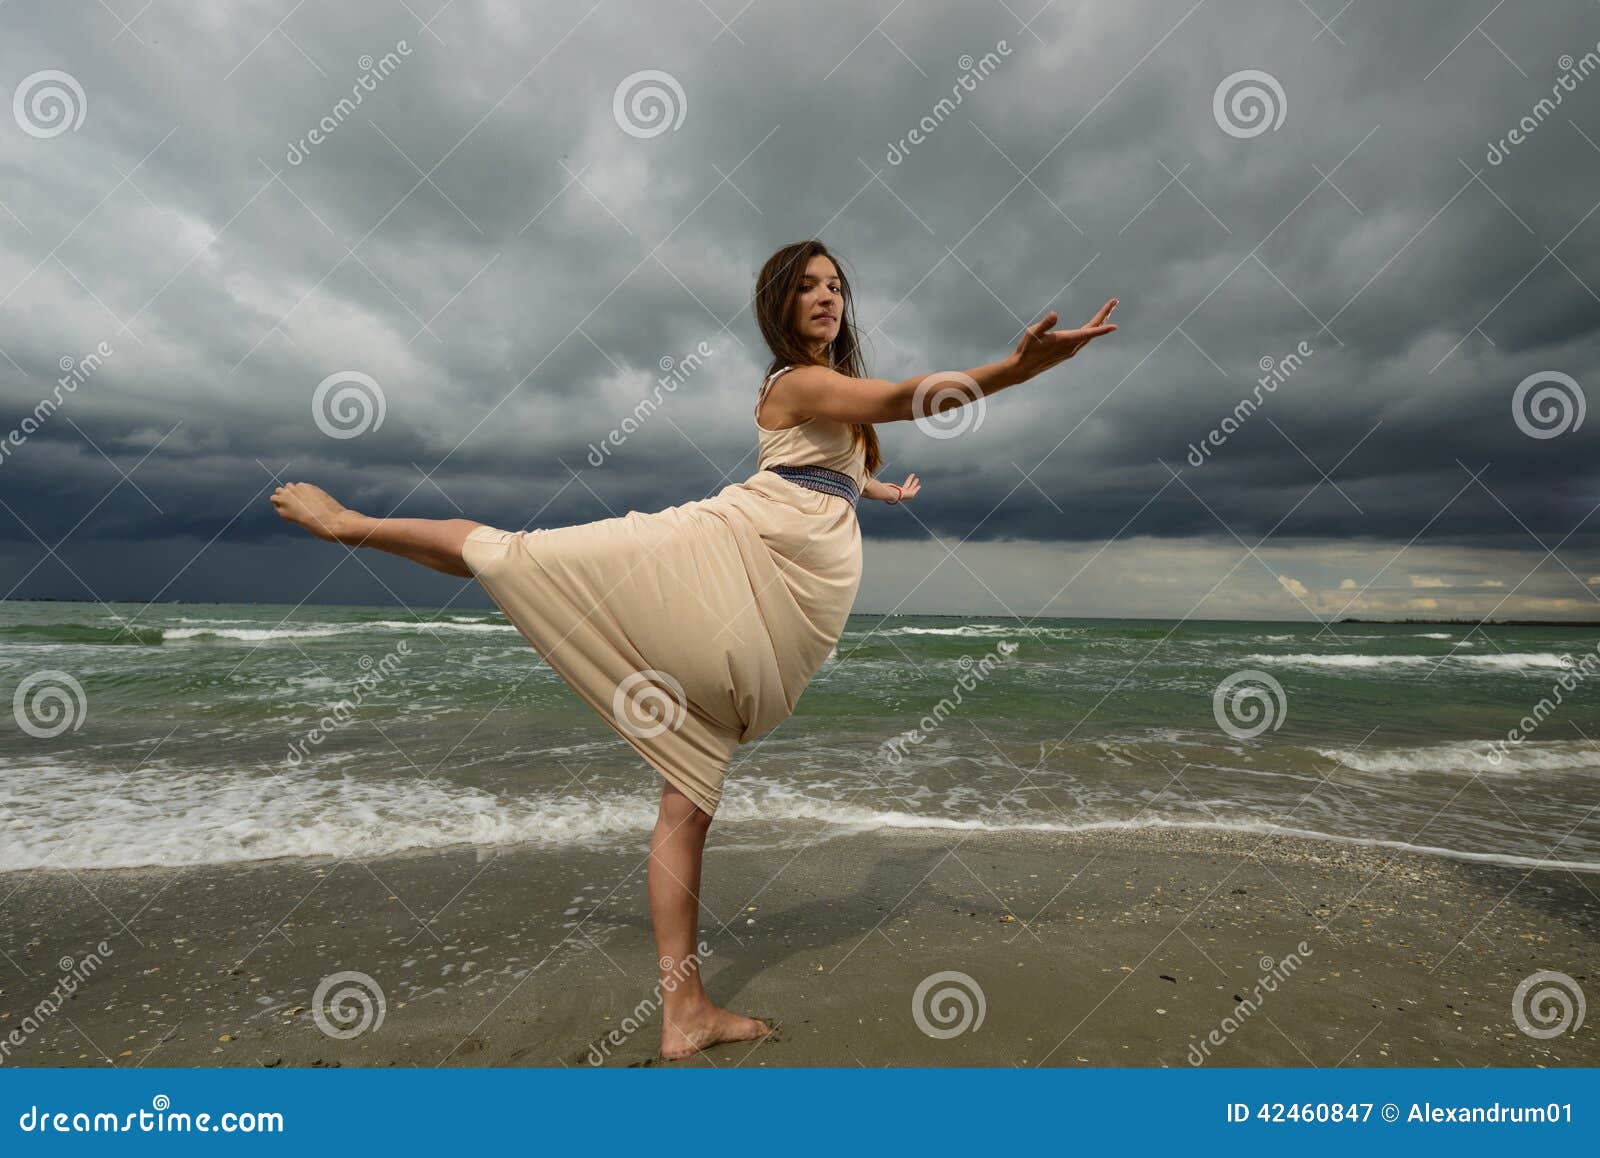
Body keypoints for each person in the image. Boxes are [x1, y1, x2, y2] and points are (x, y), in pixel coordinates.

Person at [270, 238, 1117, 1060]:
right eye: (806, 287)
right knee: (517, 554)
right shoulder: (798, 381)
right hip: (732, 554)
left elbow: (832, 465)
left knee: (689, 801)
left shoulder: (828, 396)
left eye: (835, 285)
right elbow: (899, 401)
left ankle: (685, 1013)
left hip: (780, 581)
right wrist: (1019, 369)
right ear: (780, 308)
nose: (827, 296)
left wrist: (877, 486)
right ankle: (349, 524)